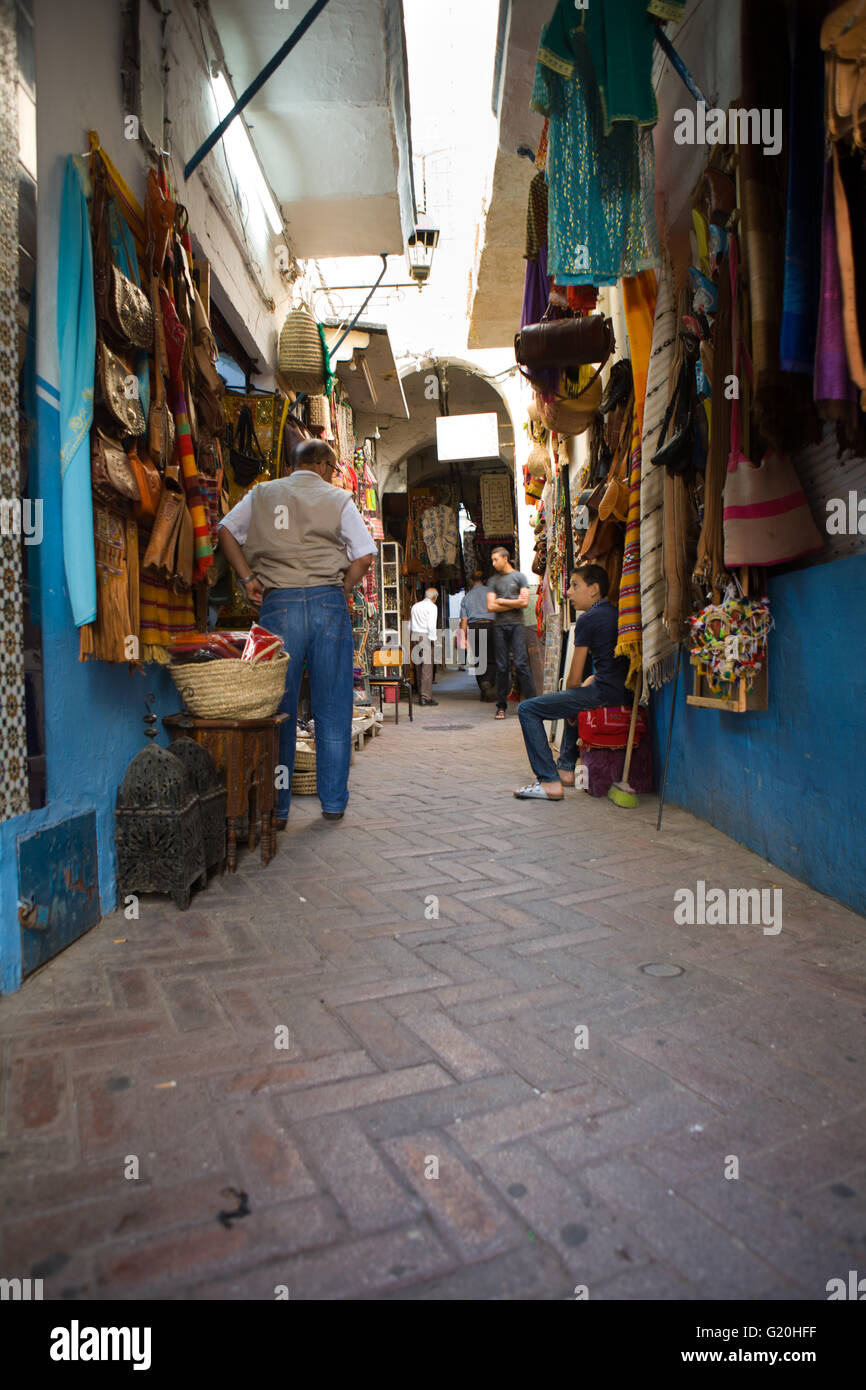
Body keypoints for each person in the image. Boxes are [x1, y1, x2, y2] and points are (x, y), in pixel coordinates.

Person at [218, 439, 376, 825]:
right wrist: (342, 587)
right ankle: (333, 802)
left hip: (278, 606)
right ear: (322, 465)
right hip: (327, 605)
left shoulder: (262, 494)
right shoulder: (337, 499)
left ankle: (279, 807)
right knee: (332, 707)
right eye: (333, 467)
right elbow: (365, 555)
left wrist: (248, 579)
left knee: (278, 709)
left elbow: (224, 531)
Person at [513, 563, 632, 801]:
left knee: (527, 709)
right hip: (621, 691)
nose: (568, 592)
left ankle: (549, 781)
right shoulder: (614, 613)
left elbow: (574, 678)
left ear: (594, 589)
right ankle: (566, 768)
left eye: (575, 585)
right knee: (574, 697)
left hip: (604, 694)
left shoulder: (589, 619)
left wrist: (574, 697)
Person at [486, 546, 537, 719]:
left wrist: (501, 600)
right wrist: (512, 601)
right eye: (492, 560)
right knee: (502, 667)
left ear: (505, 558)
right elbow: (490, 606)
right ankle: (501, 706)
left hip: (517, 625)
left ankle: (533, 703)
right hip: (500, 626)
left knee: (521, 664)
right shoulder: (493, 581)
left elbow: (524, 603)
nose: (493, 563)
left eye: (496, 559)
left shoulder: (520, 577)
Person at [459, 569, 495, 700]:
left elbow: (464, 621)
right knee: (492, 658)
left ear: (471, 581)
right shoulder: (491, 592)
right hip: (492, 626)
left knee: (479, 660)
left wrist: (462, 638)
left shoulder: (466, 597)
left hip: (475, 628)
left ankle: (484, 686)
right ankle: (489, 684)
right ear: (484, 580)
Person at [410, 586, 439, 706]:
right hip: (425, 636)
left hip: (415, 636)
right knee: (427, 668)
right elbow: (431, 624)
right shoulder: (432, 607)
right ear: (435, 597)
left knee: (418, 667)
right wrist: (433, 639)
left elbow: (410, 624)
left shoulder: (415, 606)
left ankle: (421, 695)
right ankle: (425, 697)